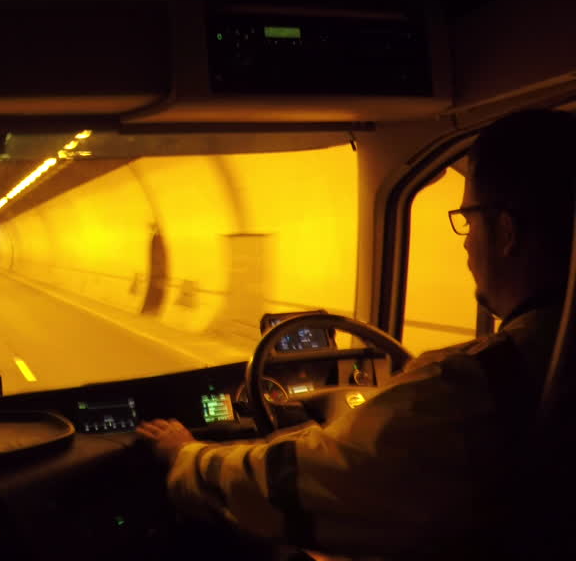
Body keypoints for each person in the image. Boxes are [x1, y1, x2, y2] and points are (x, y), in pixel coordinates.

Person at [137, 109, 576, 559]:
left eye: (469, 217)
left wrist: (185, 457)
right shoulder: (543, 360)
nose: (465, 241)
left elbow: (294, 485)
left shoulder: (461, 391)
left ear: (506, 230)